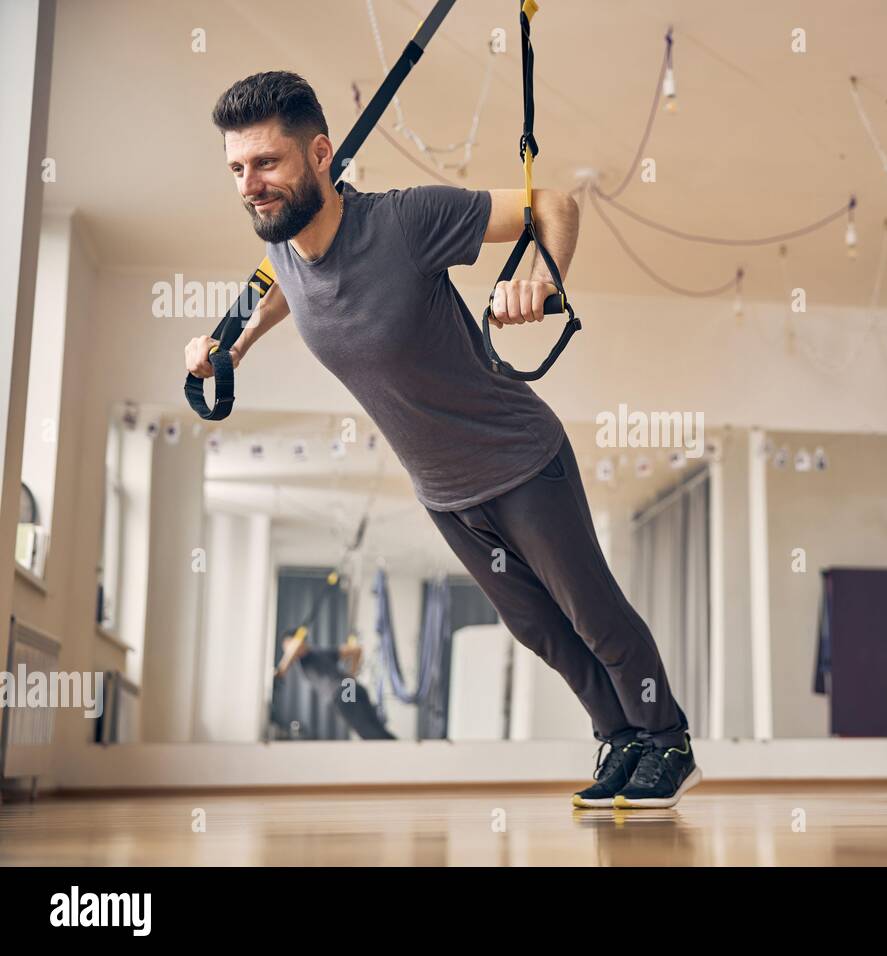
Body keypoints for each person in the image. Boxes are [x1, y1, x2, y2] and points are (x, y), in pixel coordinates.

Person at [185, 71, 700, 809]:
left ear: (321, 154)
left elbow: (553, 202)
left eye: (266, 163)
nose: (250, 184)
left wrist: (539, 274)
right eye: (238, 169)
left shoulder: (403, 223)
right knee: (540, 631)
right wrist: (232, 343)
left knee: (592, 613)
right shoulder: (286, 253)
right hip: (446, 493)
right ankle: (622, 738)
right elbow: (276, 285)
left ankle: (668, 740)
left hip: (519, 458)